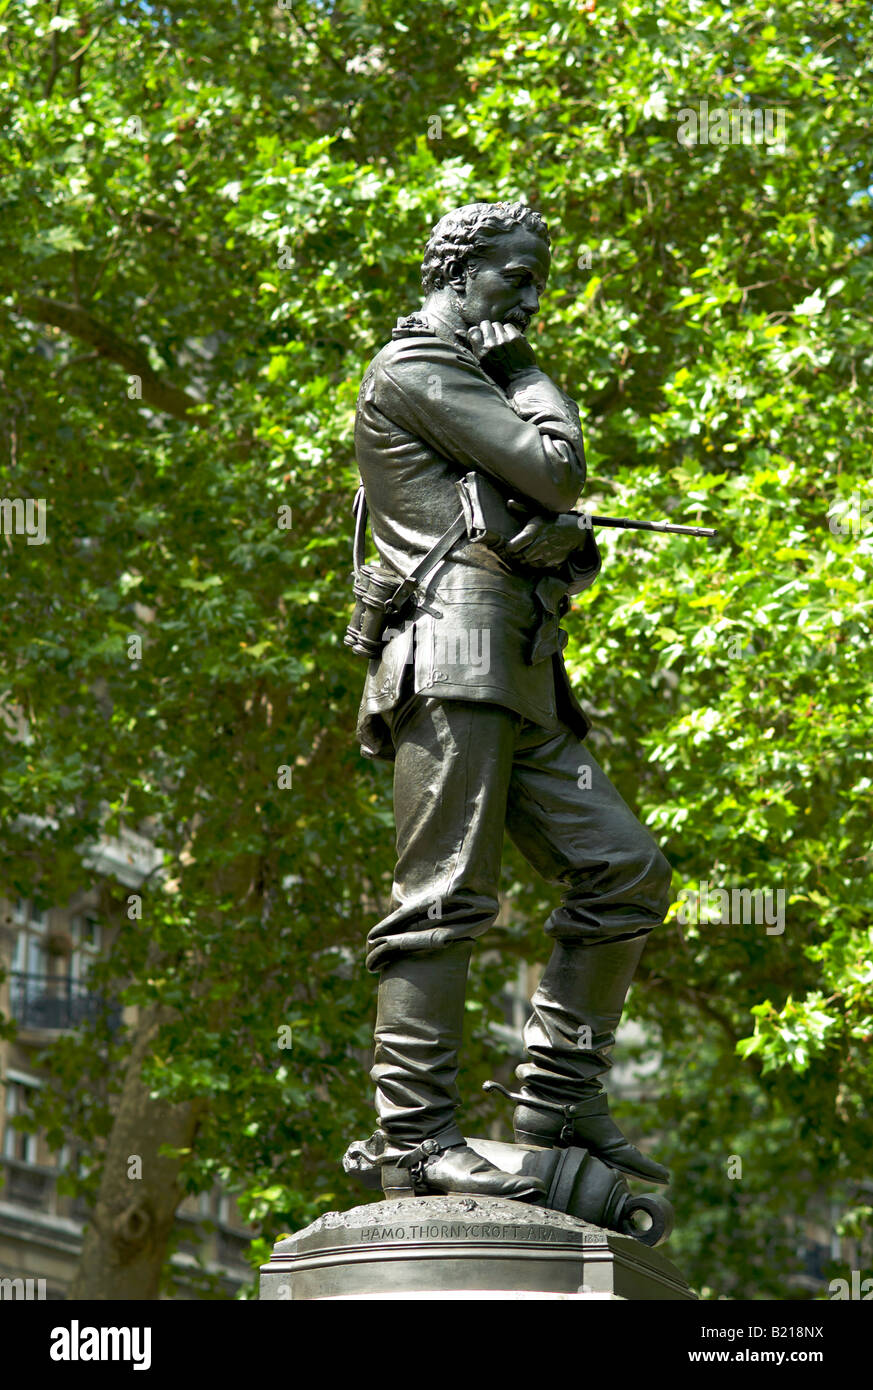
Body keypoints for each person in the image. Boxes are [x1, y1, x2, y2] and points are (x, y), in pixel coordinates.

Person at [353, 201, 672, 1201]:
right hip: (451, 658)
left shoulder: (466, 378)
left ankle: (558, 1100)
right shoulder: (420, 367)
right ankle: (412, 1136)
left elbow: (556, 523)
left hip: (521, 670)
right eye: (514, 277)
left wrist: (561, 541)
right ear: (457, 272)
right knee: (443, 898)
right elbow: (555, 467)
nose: (530, 300)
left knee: (624, 870)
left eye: (539, 281)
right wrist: (529, 379)